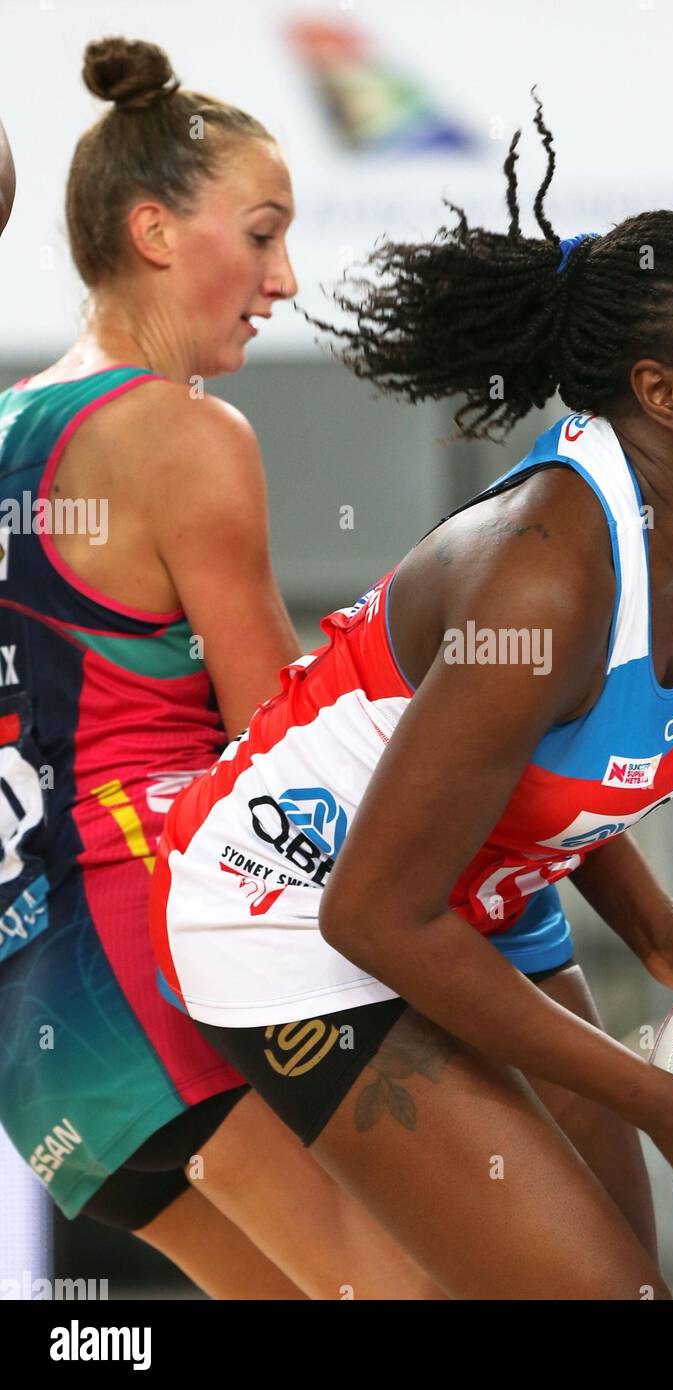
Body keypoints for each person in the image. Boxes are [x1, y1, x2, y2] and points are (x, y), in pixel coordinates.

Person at [151, 96, 673, 1300]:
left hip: (457, 890)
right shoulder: (546, 578)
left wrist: (660, 930)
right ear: (662, 393)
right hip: (302, 914)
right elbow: (373, 918)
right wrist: (669, 1102)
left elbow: (552, 767)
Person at [0, 36, 445, 1301]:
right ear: (153, 229)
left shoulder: (13, 425)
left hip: (39, 1025)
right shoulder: (188, 436)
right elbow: (275, 744)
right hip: (167, 966)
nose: (285, 278)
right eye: (260, 234)